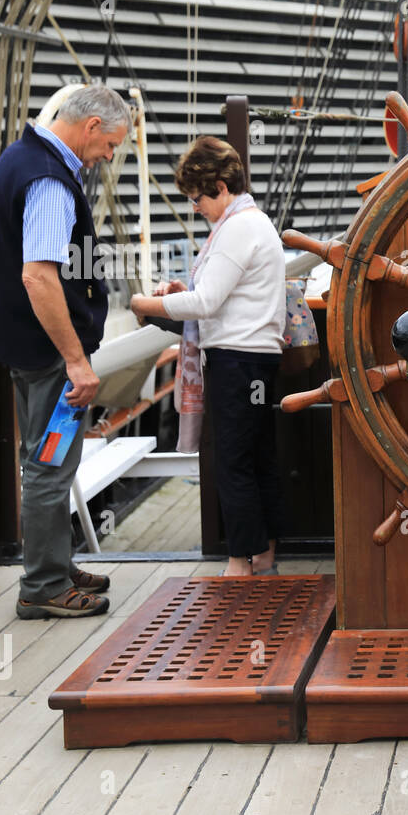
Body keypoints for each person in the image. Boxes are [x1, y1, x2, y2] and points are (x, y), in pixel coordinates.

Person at [0, 85, 129, 619]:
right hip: (48, 356)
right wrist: (76, 360)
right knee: (48, 464)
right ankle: (43, 585)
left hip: (26, 346)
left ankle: (55, 564)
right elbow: (39, 277)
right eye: (110, 144)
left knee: (44, 461)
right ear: (89, 127)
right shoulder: (48, 181)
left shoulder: (19, 158)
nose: (110, 156)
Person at [130, 136, 286, 576]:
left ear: (219, 185)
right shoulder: (254, 223)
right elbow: (215, 295)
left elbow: (206, 304)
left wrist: (148, 305)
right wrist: (184, 293)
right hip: (257, 359)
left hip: (237, 361)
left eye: (197, 198)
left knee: (232, 461)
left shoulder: (237, 228)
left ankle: (240, 563)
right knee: (257, 457)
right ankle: (266, 553)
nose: (195, 207)